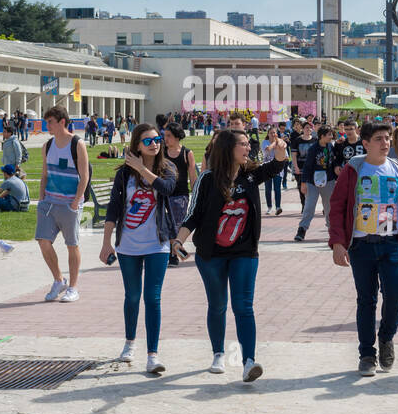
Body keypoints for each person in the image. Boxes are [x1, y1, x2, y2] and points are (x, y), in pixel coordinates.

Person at [174, 128, 289, 382]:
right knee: (217, 306)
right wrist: (179, 241)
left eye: (249, 144)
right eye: (243, 144)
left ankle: (249, 361)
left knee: (243, 307)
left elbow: (276, 167)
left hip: (245, 253)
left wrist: (281, 150)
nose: (248, 148)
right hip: (211, 254)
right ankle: (218, 353)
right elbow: (192, 215)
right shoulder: (207, 179)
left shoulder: (250, 176)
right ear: (228, 148)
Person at [328, 122, 398, 376]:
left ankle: (386, 337)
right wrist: (337, 242)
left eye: (387, 138)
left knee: (396, 295)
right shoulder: (353, 170)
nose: (385, 143)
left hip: (391, 243)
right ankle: (367, 354)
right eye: (379, 139)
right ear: (365, 143)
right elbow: (337, 206)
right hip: (361, 245)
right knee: (366, 300)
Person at [100, 124, 179, 375]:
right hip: (128, 245)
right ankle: (129, 343)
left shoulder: (168, 168)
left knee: (152, 298)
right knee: (132, 296)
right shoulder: (124, 174)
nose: (155, 144)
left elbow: (167, 189)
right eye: (148, 141)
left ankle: (152, 355)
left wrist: (142, 168)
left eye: (157, 139)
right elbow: (114, 207)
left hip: (158, 243)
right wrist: (106, 242)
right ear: (136, 146)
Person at [37, 106, 90, 302]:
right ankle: (59, 280)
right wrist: (41, 198)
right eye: (46, 121)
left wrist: (76, 202)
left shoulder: (77, 144)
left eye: (50, 121)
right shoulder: (47, 146)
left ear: (62, 122)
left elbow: (84, 176)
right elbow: (44, 175)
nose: (47, 125)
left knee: (72, 245)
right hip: (49, 203)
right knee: (43, 242)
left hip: (70, 204)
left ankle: (73, 287)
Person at [295, 126, 337, 242]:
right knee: (309, 206)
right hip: (313, 182)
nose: (331, 137)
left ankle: (332, 230)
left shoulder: (330, 146)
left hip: (328, 181)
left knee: (329, 207)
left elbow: (334, 161)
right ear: (322, 136)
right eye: (329, 135)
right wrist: (303, 183)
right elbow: (307, 166)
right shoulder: (313, 149)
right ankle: (302, 229)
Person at [162, 123, 197, 261]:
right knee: (166, 225)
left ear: (177, 137)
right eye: (165, 136)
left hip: (180, 195)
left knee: (176, 225)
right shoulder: (162, 152)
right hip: (163, 193)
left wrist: (195, 196)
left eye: (169, 136)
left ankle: (174, 255)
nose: (166, 139)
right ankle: (177, 253)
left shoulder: (187, 153)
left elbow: (193, 176)